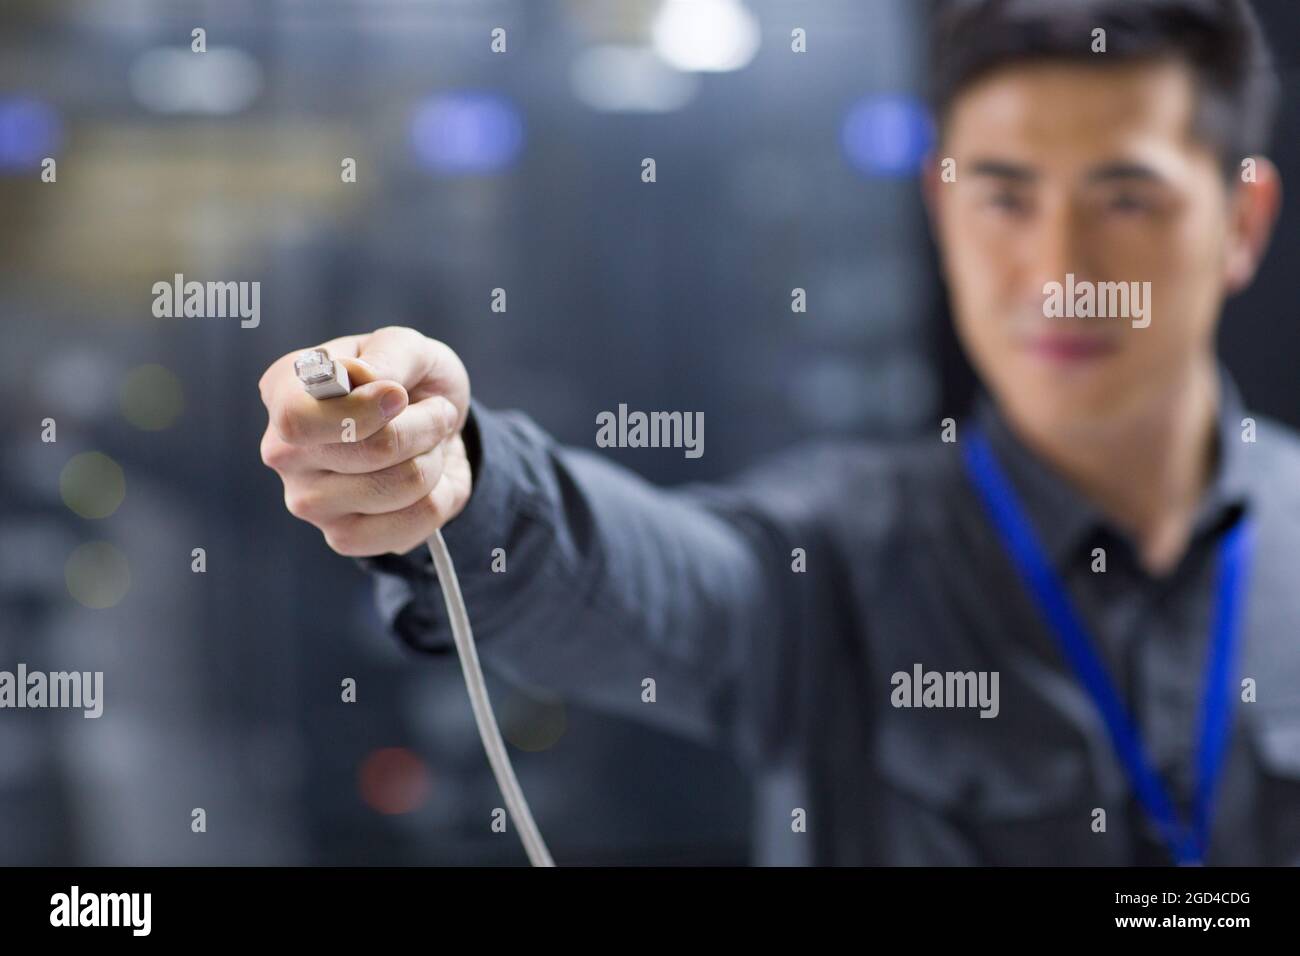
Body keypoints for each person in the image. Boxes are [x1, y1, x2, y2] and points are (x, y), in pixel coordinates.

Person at [257, 0, 1298, 864]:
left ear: (1241, 223)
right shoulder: (841, 554)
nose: (1057, 266)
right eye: (1004, 197)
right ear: (941, 210)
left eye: (1124, 199)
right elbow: (651, 577)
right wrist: (460, 470)